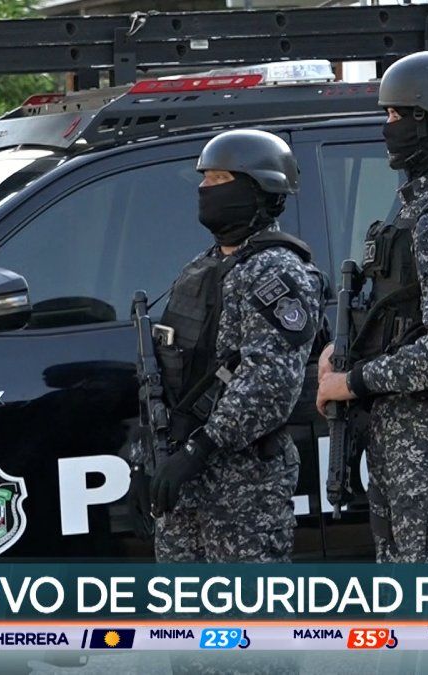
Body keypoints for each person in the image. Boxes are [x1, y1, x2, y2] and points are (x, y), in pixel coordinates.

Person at [315, 50, 428, 563]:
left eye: (395, 115)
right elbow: (399, 315)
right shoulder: (411, 213)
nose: (387, 127)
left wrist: (353, 382)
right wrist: (343, 350)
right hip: (402, 440)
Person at [130, 129, 324, 563]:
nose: (204, 190)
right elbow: (169, 372)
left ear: (258, 189)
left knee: (247, 621)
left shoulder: (277, 273)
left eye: (218, 180)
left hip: (243, 487)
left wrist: (201, 448)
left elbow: (269, 383)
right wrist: (146, 458)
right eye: (204, 180)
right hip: (185, 485)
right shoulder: (203, 267)